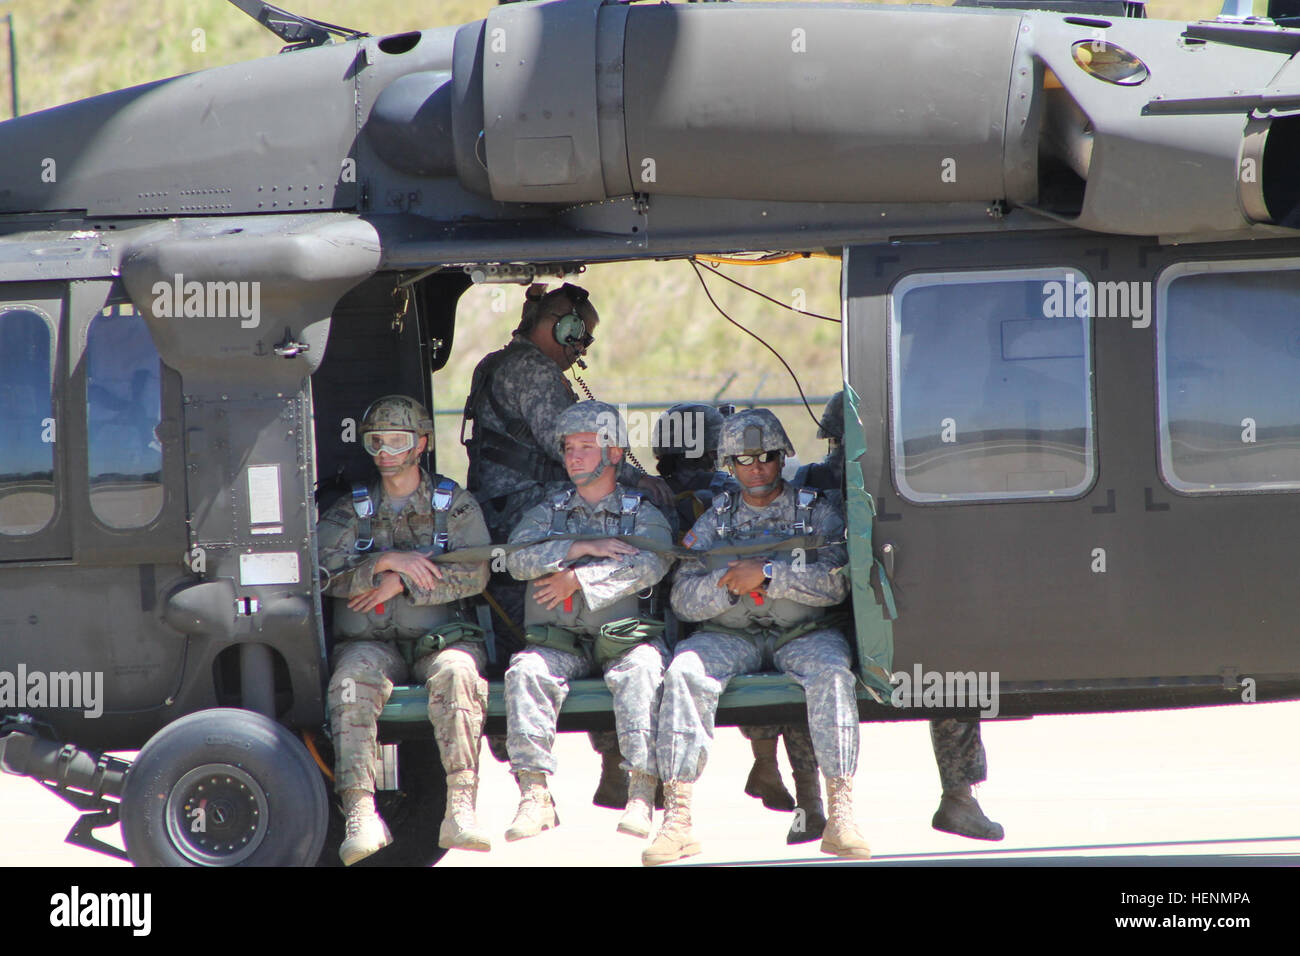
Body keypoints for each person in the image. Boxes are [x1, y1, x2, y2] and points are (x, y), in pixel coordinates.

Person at [461, 283, 671, 806]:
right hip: (532, 520)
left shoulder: (497, 363)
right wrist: (638, 482)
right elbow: (576, 445)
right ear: (561, 325)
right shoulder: (531, 371)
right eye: (580, 335)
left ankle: (615, 766)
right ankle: (601, 763)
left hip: (510, 519)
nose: (582, 348)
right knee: (569, 630)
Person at [645, 408, 871, 865]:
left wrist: (769, 574)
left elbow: (838, 584)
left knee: (833, 676)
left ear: (782, 457)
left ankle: (842, 814)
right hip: (732, 635)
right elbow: (682, 599)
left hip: (803, 633)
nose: (757, 467)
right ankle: (677, 820)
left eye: (766, 456)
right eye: (744, 460)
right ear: (729, 464)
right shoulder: (714, 520)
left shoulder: (816, 512)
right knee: (685, 672)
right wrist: (728, 586)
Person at [800, 391, 1004, 841]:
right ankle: (958, 797)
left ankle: (809, 803)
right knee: (951, 675)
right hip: (850, 619)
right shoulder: (898, 477)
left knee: (950, 674)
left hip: (848, 618)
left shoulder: (822, 480)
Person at [318, 395, 493, 864]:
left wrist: (404, 584)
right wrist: (385, 562)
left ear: (421, 444)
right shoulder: (351, 508)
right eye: (376, 441)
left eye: (397, 440)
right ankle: (360, 811)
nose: (385, 451)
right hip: (370, 644)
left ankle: (461, 807)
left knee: (459, 674)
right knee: (350, 685)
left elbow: (476, 571)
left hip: (441, 639)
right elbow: (319, 571)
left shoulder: (453, 505)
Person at [502, 400, 675, 840]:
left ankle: (641, 793)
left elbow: (651, 564)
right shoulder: (549, 511)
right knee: (525, 671)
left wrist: (578, 579)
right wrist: (576, 548)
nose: (574, 457)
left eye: (586, 447)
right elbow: (515, 559)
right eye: (568, 448)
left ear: (614, 453)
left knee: (643, 670)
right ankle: (535, 796)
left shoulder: (640, 513)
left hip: (625, 641)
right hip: (561, 642)